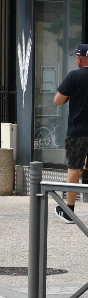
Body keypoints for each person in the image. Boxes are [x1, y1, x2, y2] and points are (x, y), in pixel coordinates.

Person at [53, 43, 88, 222]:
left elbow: (58, 101)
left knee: (75, 169)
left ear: (79, 58)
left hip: (78, 131)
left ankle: (69, 210)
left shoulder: (73, 76)